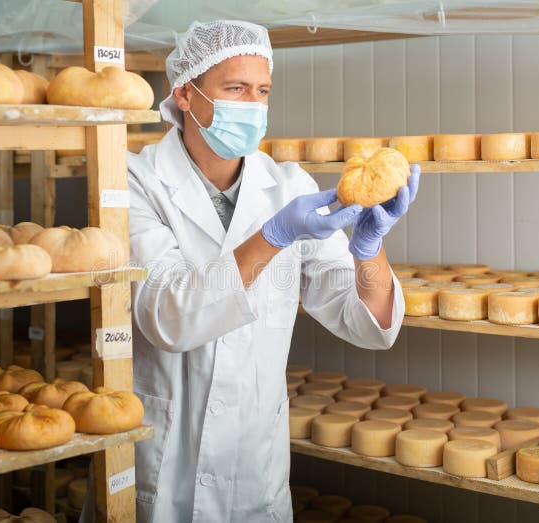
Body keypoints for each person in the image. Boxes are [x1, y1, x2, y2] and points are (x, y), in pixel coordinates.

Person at [126, 19, 418, 523]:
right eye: (234, 88)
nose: (252, 104)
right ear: (186, 94)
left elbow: (363, 323)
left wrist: (369, 249)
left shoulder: (287, 186)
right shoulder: (138, 182)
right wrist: (272, 238)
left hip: (251, 459)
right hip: (166, 453)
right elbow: (167, 317)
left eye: (262, 91)